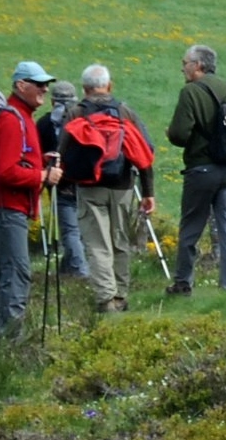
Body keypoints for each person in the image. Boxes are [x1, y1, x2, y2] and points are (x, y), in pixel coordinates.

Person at [58, 64, 158, 314]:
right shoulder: (124, 111)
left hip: (89, 187)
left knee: (97, 243)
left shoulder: (75, 112)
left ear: (84, 88)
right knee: (120, 240)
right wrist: (148, 193)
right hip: (123, 185)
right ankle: (121, 296)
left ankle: (106, 299)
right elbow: (146, 150)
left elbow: (61, 153)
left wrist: (64, 184)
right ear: (109, 86)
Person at [0, 61, 58, 340]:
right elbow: (5, 171)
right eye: (39, 84)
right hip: (5, 207)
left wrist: (39, 163)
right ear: (21, 85)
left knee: (5, 270)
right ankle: (11, 339)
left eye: (46, 84)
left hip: (2, 206)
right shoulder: (12, 119)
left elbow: (14, 161)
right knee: (17, 272)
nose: (45, 89)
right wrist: (42, 176)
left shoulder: (20, 116)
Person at [166, 44, 226, 294]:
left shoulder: (191, 92)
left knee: (191, 227)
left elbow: (180, 135)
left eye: (185, 63)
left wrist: (170, 133)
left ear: (199, 66)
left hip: (202, 169)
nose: (183, 68)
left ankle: (183, 283)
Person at [42, 79, 90, 282]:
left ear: (53, 101)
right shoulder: (85, 119)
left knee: (70, 230)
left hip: (59, 182)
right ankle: (72, 267)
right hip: (86, 181)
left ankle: (80, 271)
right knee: (84, 229)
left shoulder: (44, 123)